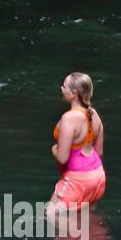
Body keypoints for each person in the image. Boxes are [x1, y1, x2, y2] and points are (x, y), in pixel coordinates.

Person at [49, 72, 106, 208]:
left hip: (78, 180)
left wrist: (54, 149)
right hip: (98, 177)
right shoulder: (94, 115)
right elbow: (99, 152)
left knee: (52, 215)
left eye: (64, 86)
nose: (61, 89)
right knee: (86, 217)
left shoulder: (69, 118)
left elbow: (62, 158)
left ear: (74, 93)